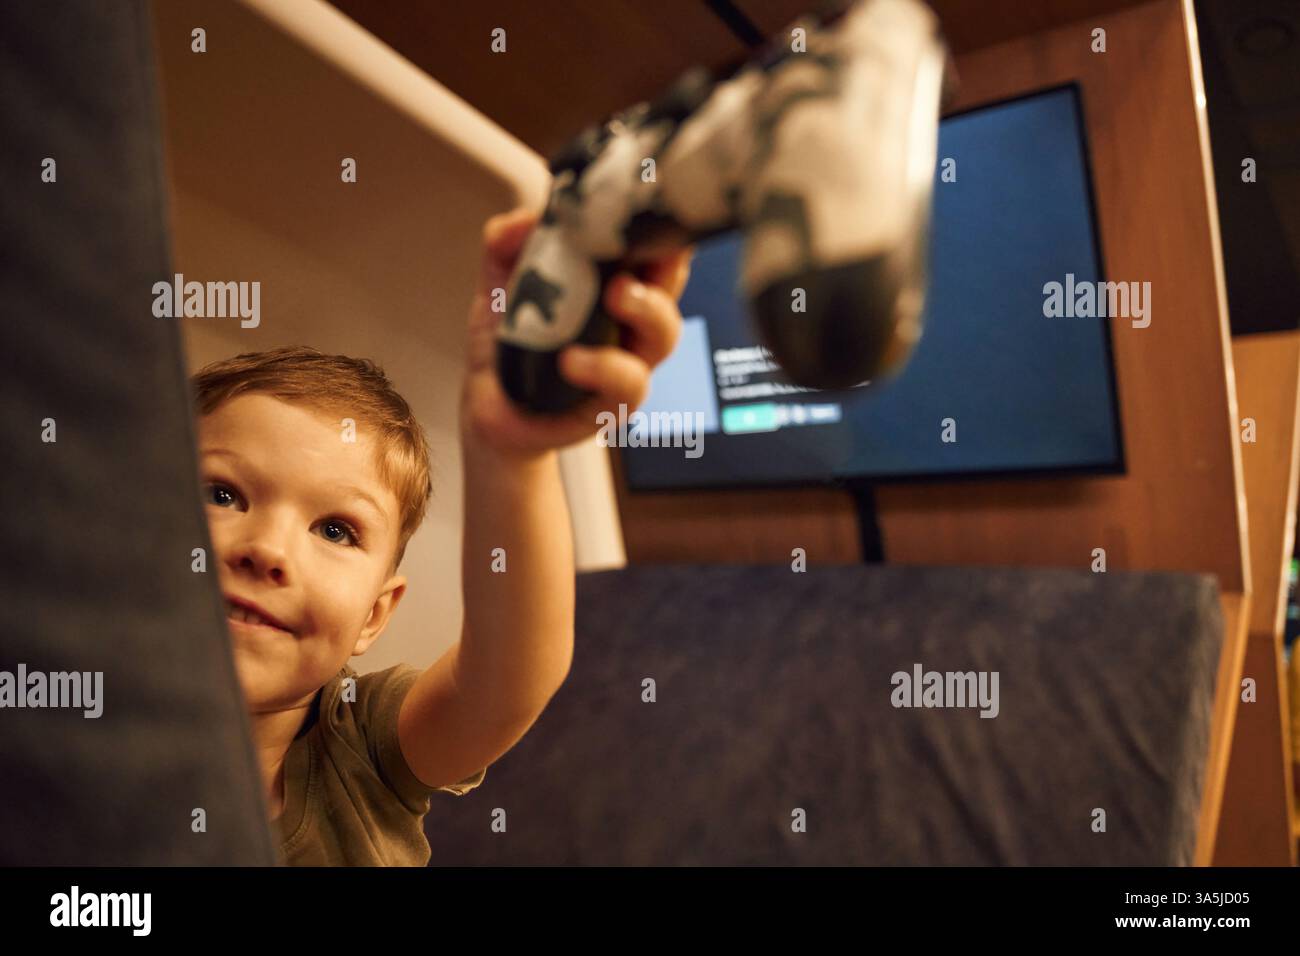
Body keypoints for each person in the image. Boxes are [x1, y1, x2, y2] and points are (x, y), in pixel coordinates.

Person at [190, 208, 691, 864]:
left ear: (374, 615)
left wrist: (511, 450)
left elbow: (507, 680)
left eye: (336, 530)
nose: (268, 550)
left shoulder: (361, 744)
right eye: (222, 495)